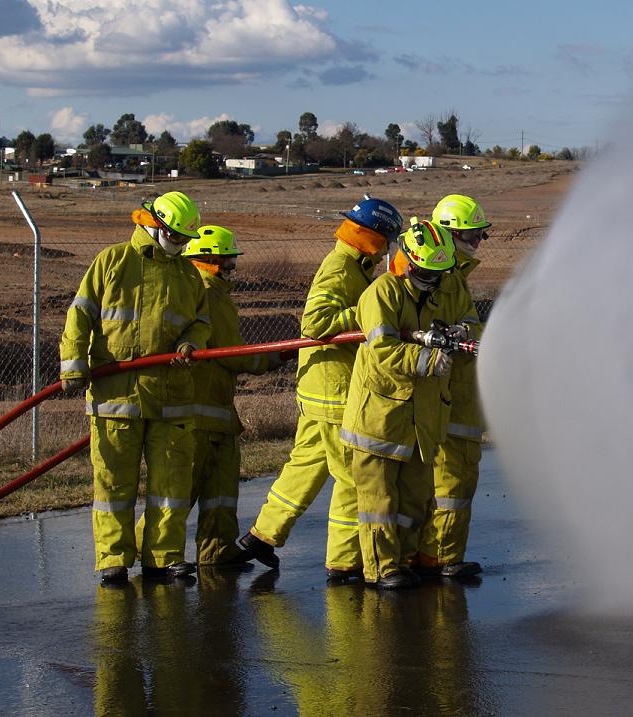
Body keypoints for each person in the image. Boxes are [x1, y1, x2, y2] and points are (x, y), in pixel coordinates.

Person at [240, 197, 402, 583]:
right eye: (387, 241)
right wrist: (369, 313)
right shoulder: (341, 267)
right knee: (351, 476)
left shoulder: (354, 267)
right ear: (375, 238)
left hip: (321, 386)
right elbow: (316, 322)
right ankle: (343, 563)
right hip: (334, 391)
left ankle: (261, 536)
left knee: (306, 467)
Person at [59, 191, 209, 583]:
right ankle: (113, 559)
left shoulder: (188, 274)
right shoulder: (113, 262)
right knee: (113, 484)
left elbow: (201, 322)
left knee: (171, 483)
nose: (180, 245)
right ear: (154, 225)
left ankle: (163, 555)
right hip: (116, 395)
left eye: (184, 240)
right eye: (175, 237)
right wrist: (73, 365)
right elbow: (81, 314)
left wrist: (190, 343)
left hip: (170, 395)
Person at [340, 216, 478, 589]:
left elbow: (467, 316)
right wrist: (428, 359)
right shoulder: (382, 293)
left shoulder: (439, 286)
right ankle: (381, 569)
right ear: (411, 261)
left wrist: (460, 331)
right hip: (379, 420)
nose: (436, 280)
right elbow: (383, 348)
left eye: (440, 273)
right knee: (379, 503)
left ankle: (402, 561)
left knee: (415, 501)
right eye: (429, 273)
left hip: (421, 421)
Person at [179, 225, 279, 565]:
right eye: (227, 261)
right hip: (199, 411)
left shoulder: (199, 289)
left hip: (216, 410)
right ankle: (157, 557)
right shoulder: (209, 293)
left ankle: (217, 550)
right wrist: (268, 359)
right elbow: (228, 351)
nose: (231, 268)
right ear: (208, 260)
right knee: (183, 490)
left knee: (219, 488)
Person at [416, 195, 489, 578]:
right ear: (450, 233)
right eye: (472, 235)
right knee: (453, 478)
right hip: (451, 395)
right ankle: (441, 558)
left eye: (480, 235)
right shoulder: (443, 276)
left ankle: (437, 555)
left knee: (448, 478)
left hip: (455, 393)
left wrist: (468, 330)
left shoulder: (453, 275)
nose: (478, 242)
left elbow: (462, 323)